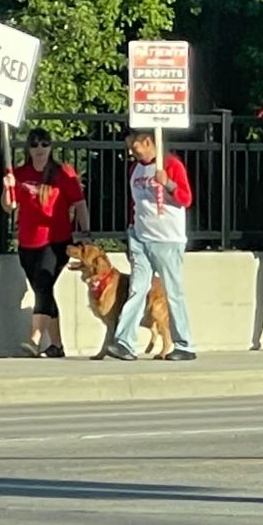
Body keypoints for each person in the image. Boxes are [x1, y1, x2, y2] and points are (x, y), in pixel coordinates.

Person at [104, 130, 195, 361]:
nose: (132, 152)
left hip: (167, 239)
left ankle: (184, 344)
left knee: (172, 291)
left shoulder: (171, 164)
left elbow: (186, 199)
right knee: (137, 288)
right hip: (140, 237)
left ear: (148, 142)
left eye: (135, 147)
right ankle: (125, 341)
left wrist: (169, 184)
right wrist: (132, 229)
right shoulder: (135, 169)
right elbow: (135, 201)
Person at [2, 127, 90, 358]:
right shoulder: (21, 173)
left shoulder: (62, 173)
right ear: (28, 148)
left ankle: (34, 339)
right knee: (45, 291)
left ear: (50, 147)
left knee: (43, 285)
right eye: (35, 144)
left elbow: (79, 203)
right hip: (27, 243)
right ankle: (57, 345)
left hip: (55, 241)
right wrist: (7, 187)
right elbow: (9, 206)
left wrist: (86, 231)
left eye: (44, 144)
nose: (40, 149)